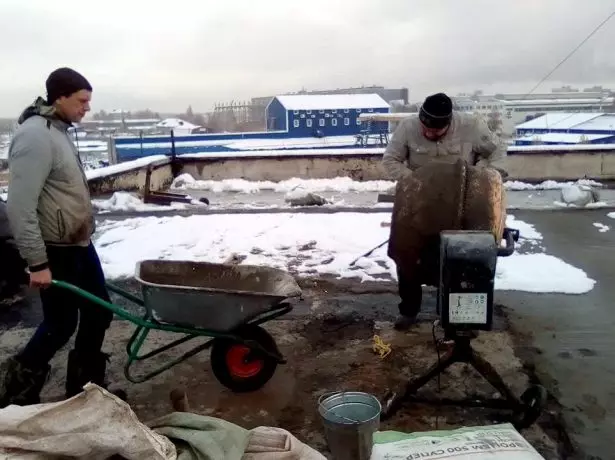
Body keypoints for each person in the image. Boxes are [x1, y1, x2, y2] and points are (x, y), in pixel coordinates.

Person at [0, 68, 119, 407]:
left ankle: (85, 390)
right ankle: (18, 388)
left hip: (79, 244)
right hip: (55, 250)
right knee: (61, 323)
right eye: (82, 100)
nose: (87, 107)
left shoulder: (59, 131)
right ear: (60, 97)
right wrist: (37, 262)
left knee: (99, 311)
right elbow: (20, 207)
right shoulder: (35, 137)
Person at [382, 92, 507, 331]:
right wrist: (414, 182)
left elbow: (498, 152)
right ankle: (408, 310)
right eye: (425, 129)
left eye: (436, 132)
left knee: (458, 260)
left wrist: (486, 175)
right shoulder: (407, 128)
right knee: (408, 256)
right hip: (420, 205)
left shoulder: (472, 126)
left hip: (463, 205)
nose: (429, 134)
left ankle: (453, 315)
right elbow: (390, 160)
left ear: (449, 123)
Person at [0, 198, 28, 304]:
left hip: (15, 250)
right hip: (19, 248)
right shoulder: (4, 205)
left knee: (7, 252)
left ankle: (14, 290)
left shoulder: (2, 209)